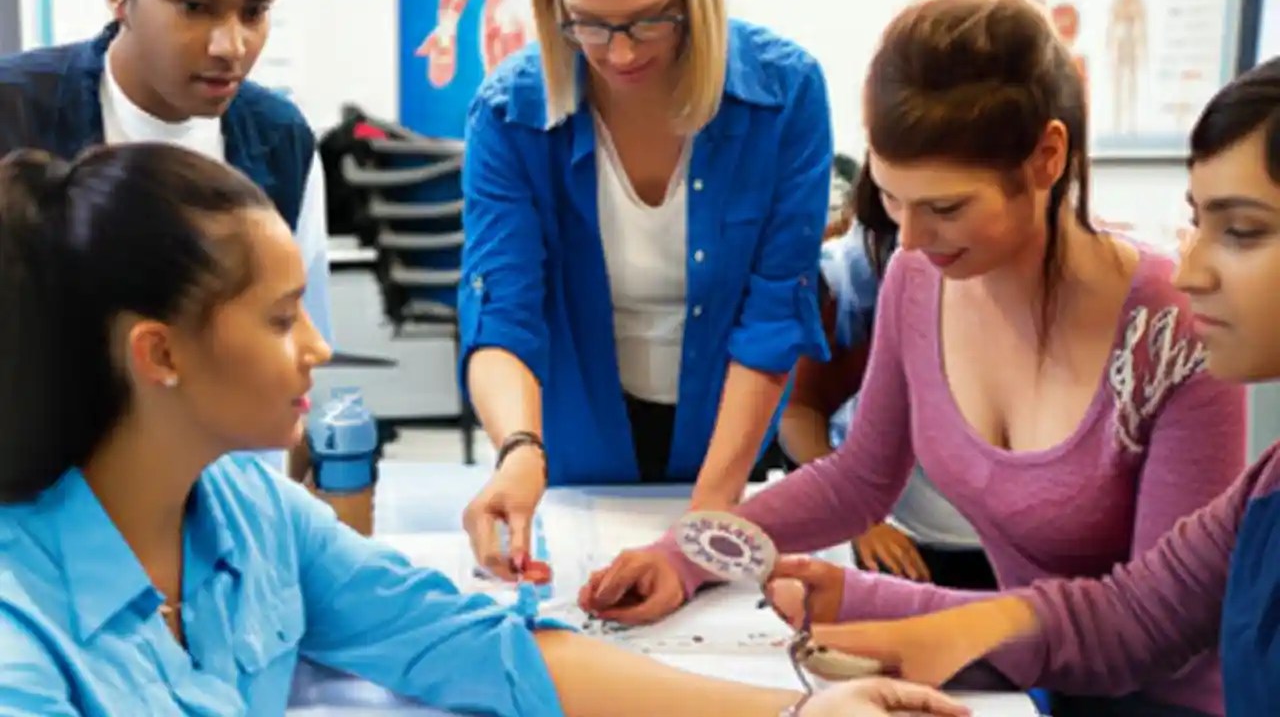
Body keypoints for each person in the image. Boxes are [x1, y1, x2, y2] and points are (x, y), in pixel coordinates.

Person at [0, 143, 971, 717]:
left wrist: (800, 711)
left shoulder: (250, 512)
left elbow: (484, 649)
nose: (317, 347)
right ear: (160, 354)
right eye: (280, 318)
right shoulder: (22, 633)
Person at [579, 0, 1247, 715]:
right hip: (1027, 681)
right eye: (893, 200)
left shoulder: (1176, 330)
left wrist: (887, 603)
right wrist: (689, 552)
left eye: (946, 208)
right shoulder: (919, 276)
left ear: (1047, 157)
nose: (912, 239)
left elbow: (1151, 626)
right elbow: (860, 478)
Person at [771, 54, 1280, 717]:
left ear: (1047, 159)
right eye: (1199, 223)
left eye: (1241, 232)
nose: (1191, 273)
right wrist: (862, 600)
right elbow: (1134, 614)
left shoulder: (1160, 330)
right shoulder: (1265, 489)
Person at [460, 0, 831, 578]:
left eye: (649, 20)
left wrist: (710, 512)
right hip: (574, 428)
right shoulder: (510, 111)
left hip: (729, 425)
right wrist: (518, 449)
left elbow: (773, 316)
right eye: (590, 25)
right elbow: (502, 312)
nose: (622, 53)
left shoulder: (784, 94)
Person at [0, 0, 333, 479]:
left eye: (254, 13)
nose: (230, 46)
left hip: (229, 490)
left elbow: (301, 354)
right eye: (195, 7)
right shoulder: (14, 113)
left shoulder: (281, 141)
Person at [781, 225, 995, 589]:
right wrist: (853, 512)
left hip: (1030, 545)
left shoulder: (1073, 279)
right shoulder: (863, 270)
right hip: (906, 536)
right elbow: (800, 406)